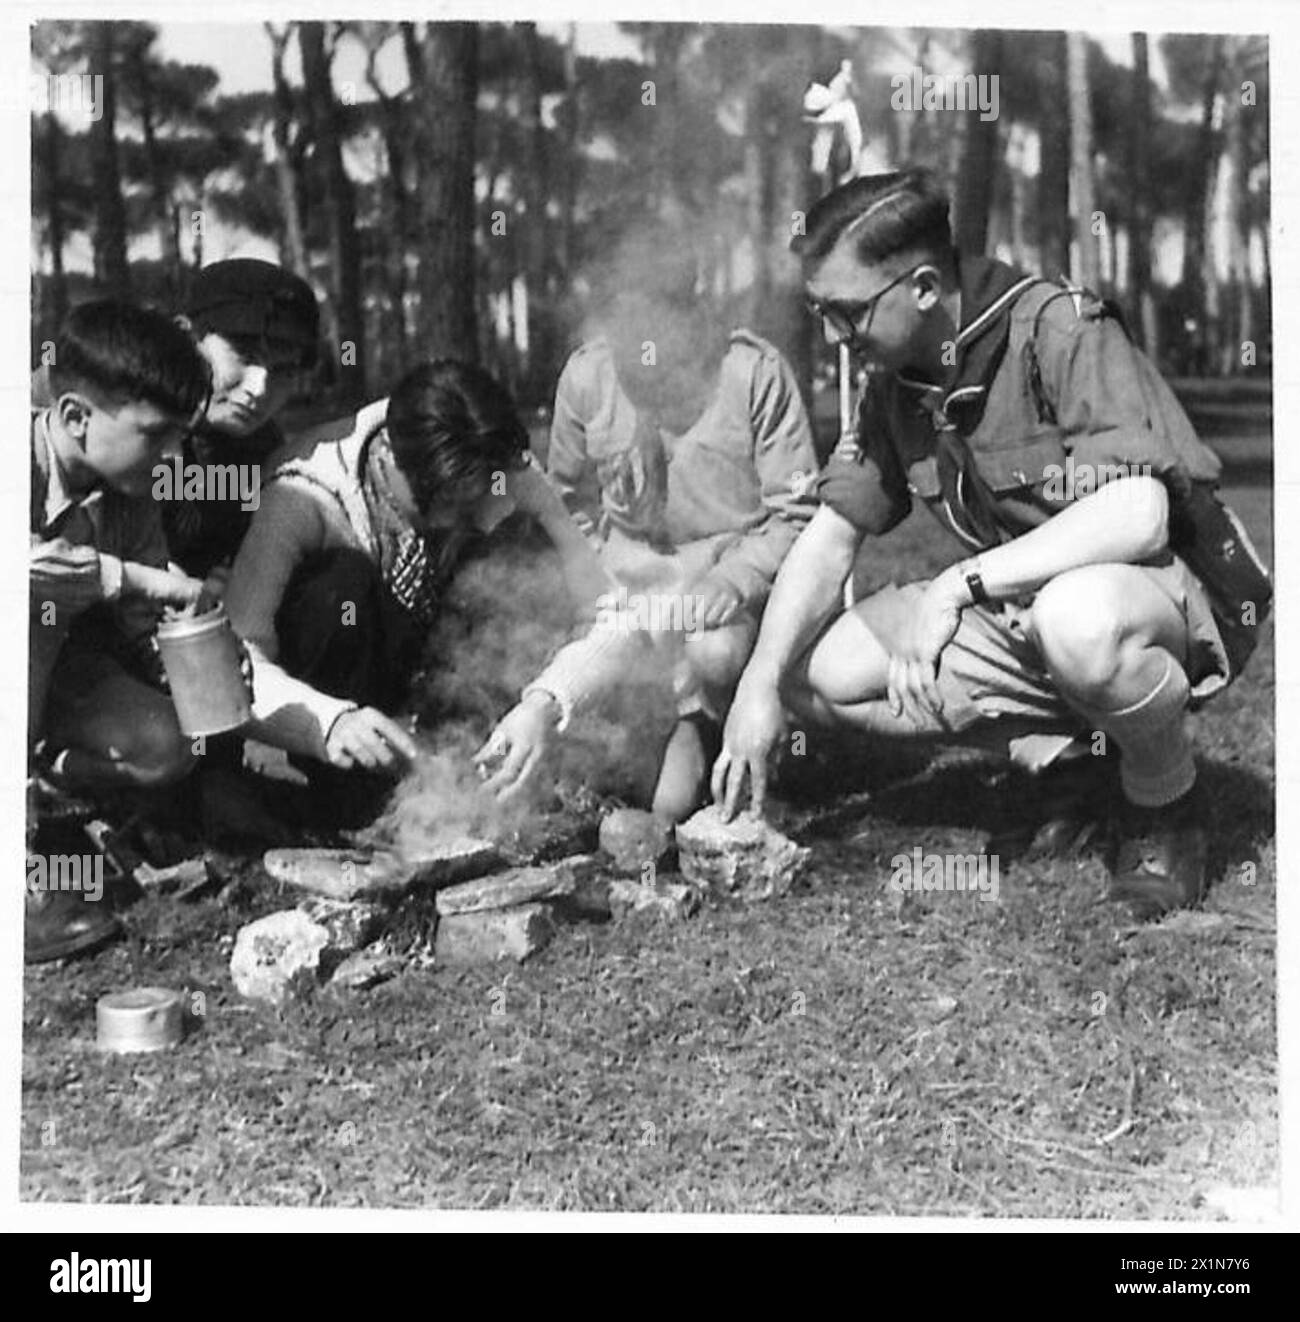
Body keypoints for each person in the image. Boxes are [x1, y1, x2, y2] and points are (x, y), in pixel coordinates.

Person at [711, 168, 1271, 917]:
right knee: (818, 671)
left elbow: (1140, 513)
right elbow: (830, 539)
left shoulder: (1059, 327)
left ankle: (1164, 803)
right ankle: (1074, 765)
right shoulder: (899, 380)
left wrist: (959, 583)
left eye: (846, 313)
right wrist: (757, 682)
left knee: (1078, 621)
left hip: (1163, 595)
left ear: (920, 288)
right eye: (820, 313)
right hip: (1025, 608)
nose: (832, 339)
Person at [476, 226, 820, 821]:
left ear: (692, 310)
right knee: (640, 791)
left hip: (726, 605)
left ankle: (721, 727)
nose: (641, 353)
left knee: (711, 663)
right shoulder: (586, 376)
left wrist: (730, 580)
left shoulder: (754, 373)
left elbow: (796, 515)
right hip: (631, 600)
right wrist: (605, 581)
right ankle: (639, 732)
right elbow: (568, 504)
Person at [224, 358, 599, 810]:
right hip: (355, 685)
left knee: (521, 547)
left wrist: (547, 701)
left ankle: (484, 763)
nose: (473, 517)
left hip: (453, 673)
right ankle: (352, 800)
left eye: (482, 495)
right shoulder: (301, 495)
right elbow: (238, 657)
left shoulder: (496, 465)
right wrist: (328, 721)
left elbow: (609, 608)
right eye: (454, 503)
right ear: (391, 459)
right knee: (338, 587)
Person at [27, 300, 212, 961]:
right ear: (75, 417)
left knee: (166, 744)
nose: (174, 454)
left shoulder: (131, 496)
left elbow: (138, 627)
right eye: (155, 433)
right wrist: (145, 580)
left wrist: (199, 655)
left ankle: (53, 807)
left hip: (53, 680)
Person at [161, 258, 321, 590]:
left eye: (282, 371)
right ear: (185, 337)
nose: (259, 389)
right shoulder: (109, 407)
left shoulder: (264, 450)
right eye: (244, 357)